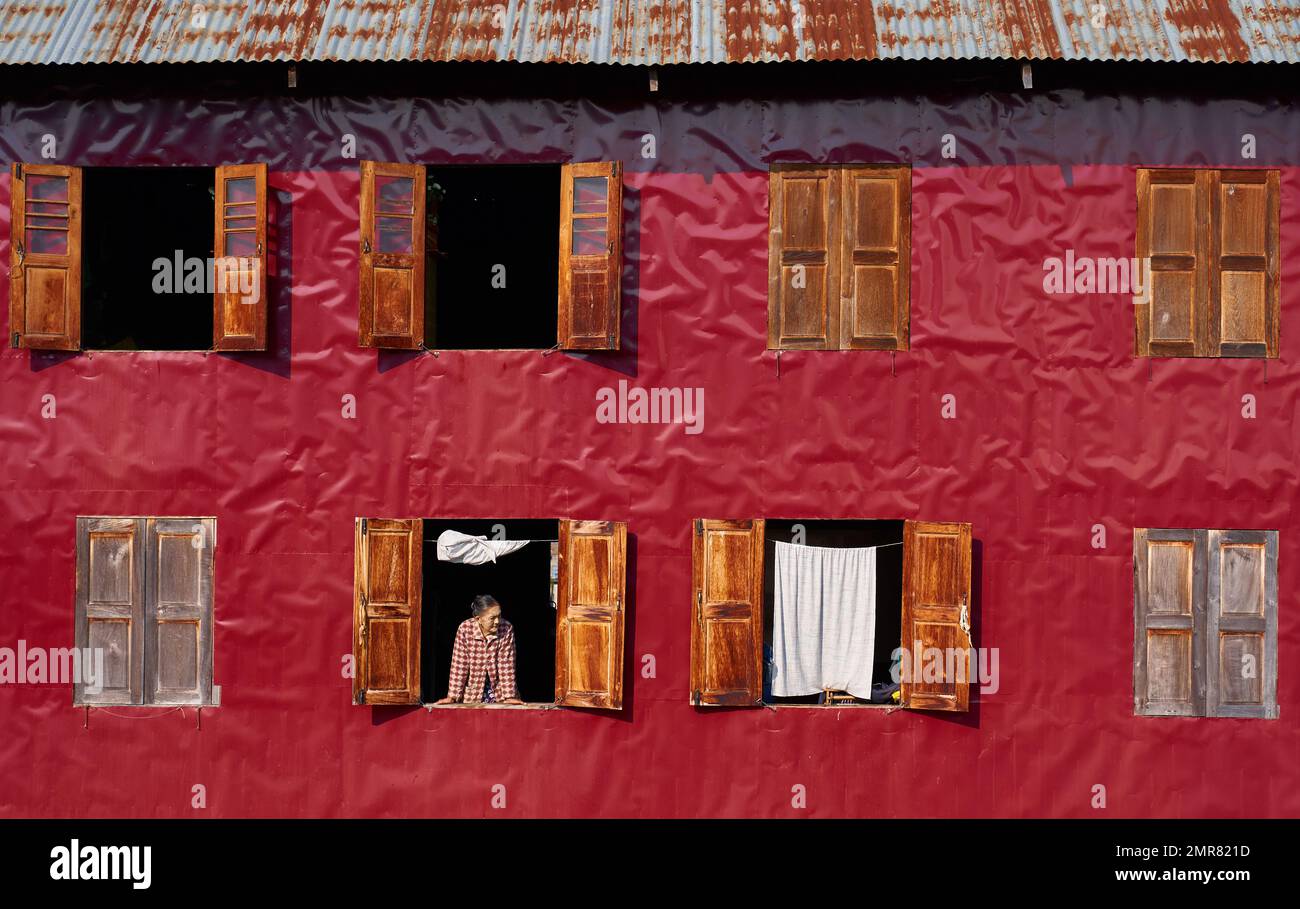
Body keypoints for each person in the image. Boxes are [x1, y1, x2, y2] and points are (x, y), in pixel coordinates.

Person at [434, 594, 523, 705]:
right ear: (478, 619)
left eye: (499, 616)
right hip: (472, 694)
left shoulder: (506, 628)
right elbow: (459, 664)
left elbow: (506, 664)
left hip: (500, 692)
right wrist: (453, 696)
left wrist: (509, 696)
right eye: (492, 618)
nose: (497, 621)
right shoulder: (465, 629)